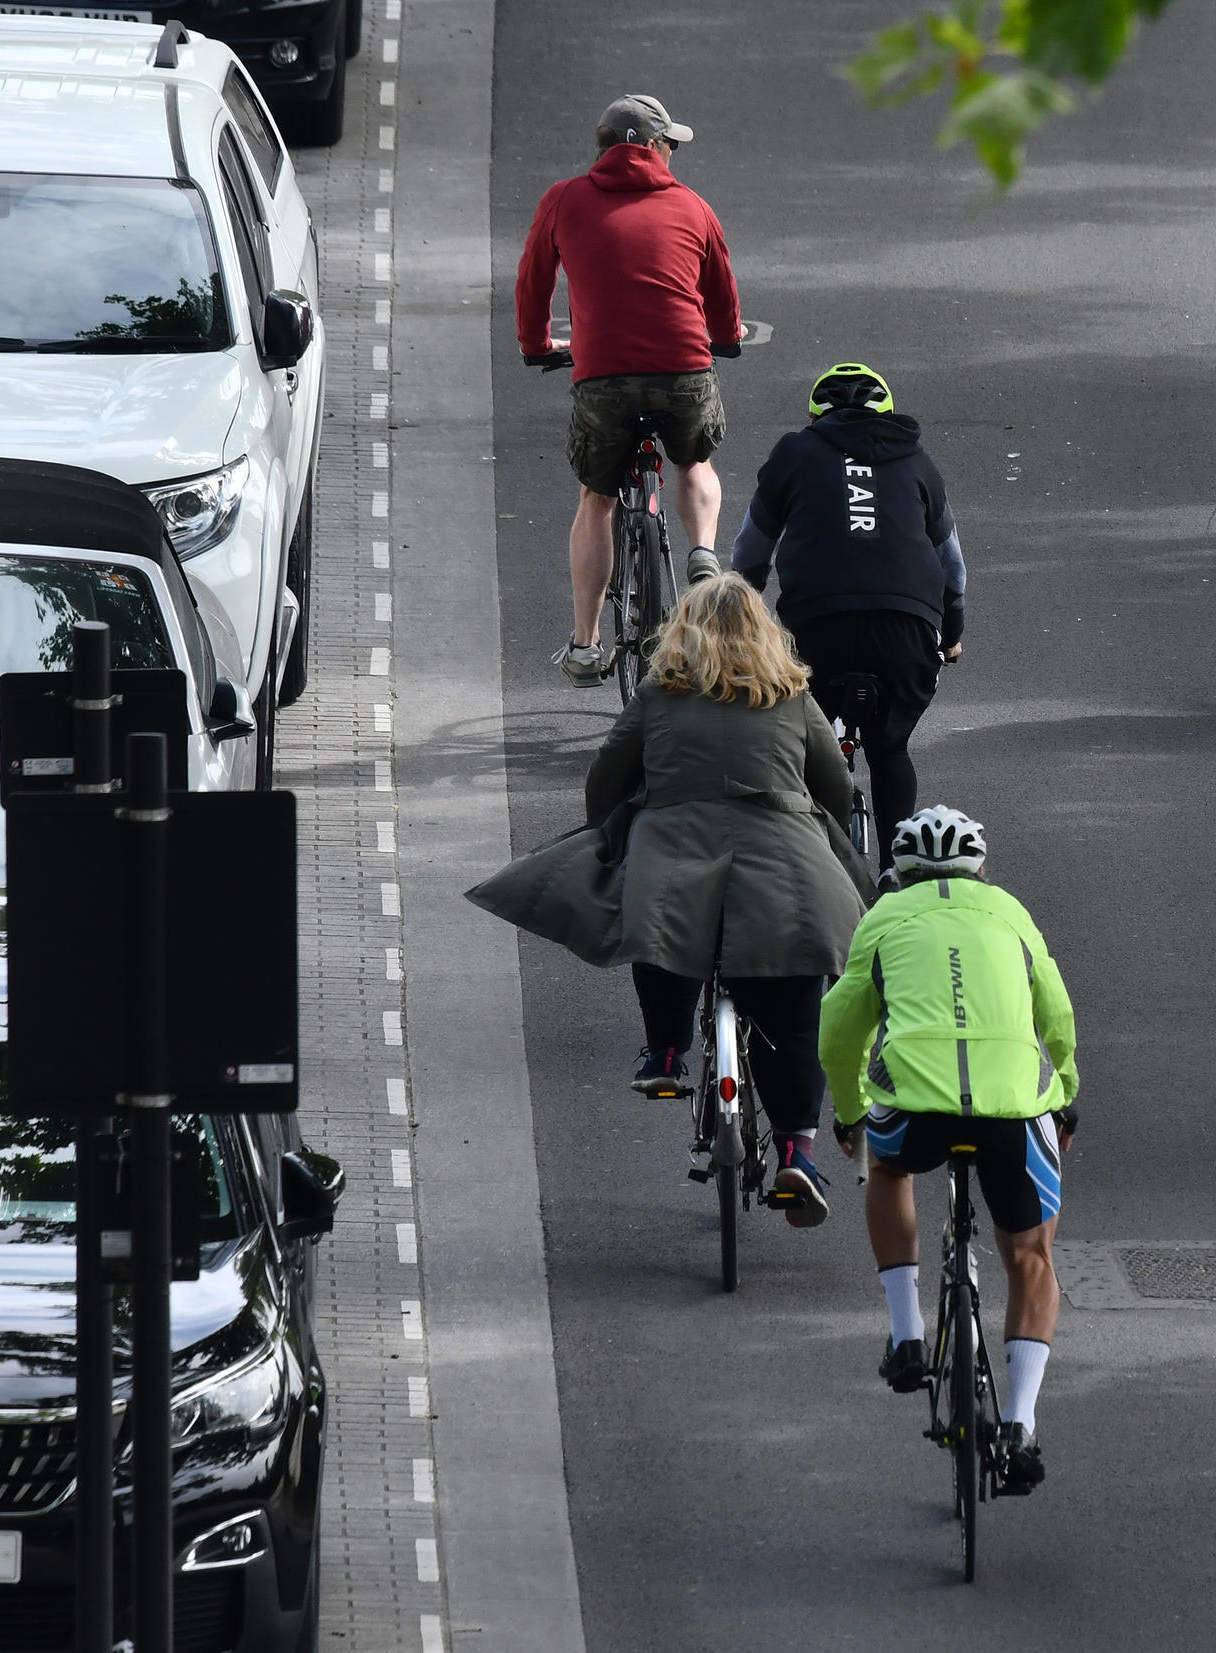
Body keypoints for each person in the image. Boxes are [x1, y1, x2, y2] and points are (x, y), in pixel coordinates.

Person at [465, 574, 871, 1223]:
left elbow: (606, 779)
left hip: (676, 854)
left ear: (684, 631)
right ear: (765, 635)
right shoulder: (791, 696)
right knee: (794, 1012)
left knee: (658, 924)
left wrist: (616, 825)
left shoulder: (660, 694)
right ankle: (796, 1148)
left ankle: (666, 1051)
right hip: (785, 871)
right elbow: (836, 784)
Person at [819, 807, 1078, 1495]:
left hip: (916, 1099)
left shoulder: (884, 917)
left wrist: (848, 1114)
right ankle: (1020, 1423)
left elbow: (840, 1029)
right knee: (1031, 1256)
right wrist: (1068, 1087)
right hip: (1011, 1105)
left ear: (898, 872)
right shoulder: (1008, 911)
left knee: (886, 1165)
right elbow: (1054, 1006)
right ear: (981, 868)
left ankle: (906, 1332)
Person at [515, 93, 746, 687]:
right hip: (683, 370)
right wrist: (724, 338)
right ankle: (702, 555)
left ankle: (587, 645)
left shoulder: (564, 200)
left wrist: (538, 346)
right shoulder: (693, 207)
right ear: (650, 146)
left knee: (597, 497)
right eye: (669, 143)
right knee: (695, 461)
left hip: (604, 378)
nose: (673, 154)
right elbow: (722, 293)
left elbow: (533, 281)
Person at [730, 363, 964, 875]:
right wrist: (954, 628)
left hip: (817, 627)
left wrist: (742, 611)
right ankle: (896, 875)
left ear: (818, 415)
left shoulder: (795, 452)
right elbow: (951, 562)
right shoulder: (919, 460)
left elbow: (752, 547)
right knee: (890, 746)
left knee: (804, 743)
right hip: (907, 627)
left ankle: (810, 869)